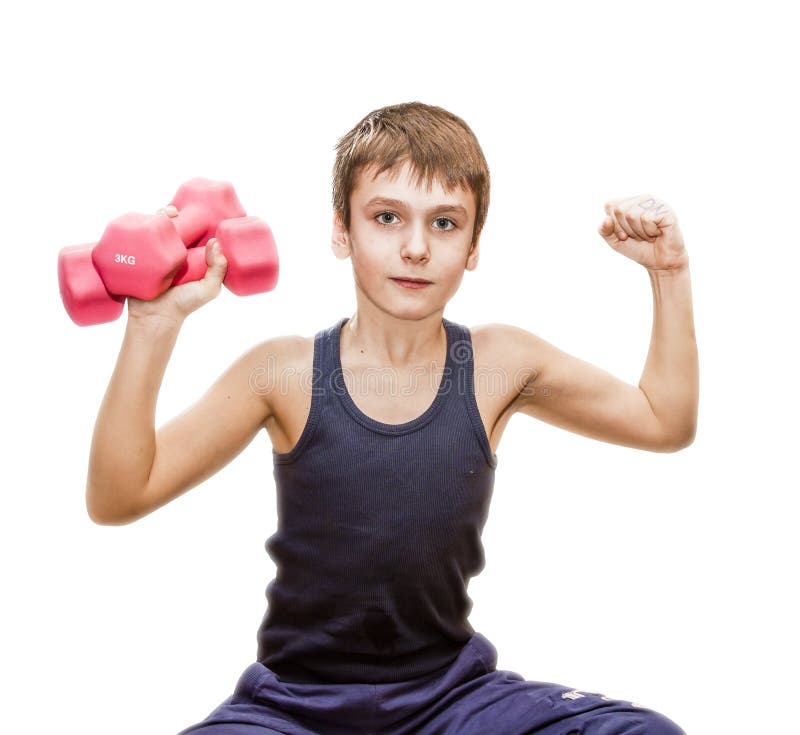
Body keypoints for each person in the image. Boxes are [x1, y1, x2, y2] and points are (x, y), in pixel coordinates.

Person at [86, 102, 697, 734]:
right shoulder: (283, 373)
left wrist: (669, 274)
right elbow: (118, 494)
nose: (415, 247)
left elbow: (663, 420)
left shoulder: (501, 363)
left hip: (450, 701)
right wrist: (153, 324)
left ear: (474, 244)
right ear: (341, 231)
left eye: (444, 223)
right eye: (386, 217)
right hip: (294, 710)